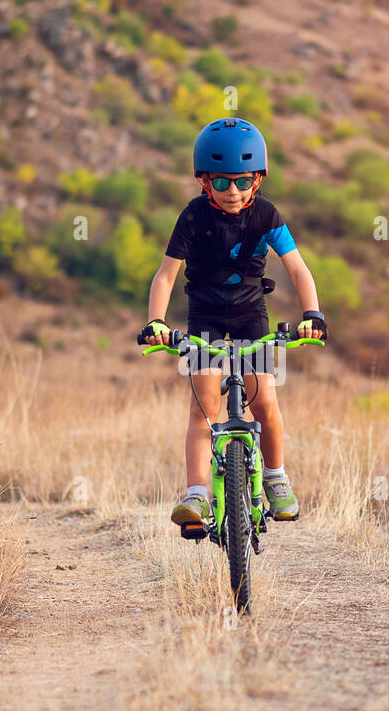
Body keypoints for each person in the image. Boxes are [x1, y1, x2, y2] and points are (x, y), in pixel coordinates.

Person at [140, 117, 327, 528]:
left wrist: (312, 314)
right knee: (203, 407)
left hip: (250, 315)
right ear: (203, 181)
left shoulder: (266, 215)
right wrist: (155, 321)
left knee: (264, 403)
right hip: (203, 314)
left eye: (242, 181)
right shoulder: (192, 217)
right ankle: (197, 496)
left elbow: (297, 268)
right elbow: (166, 275)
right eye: (221, 183)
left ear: (257, 179)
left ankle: (276, 477)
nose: (233, 192)